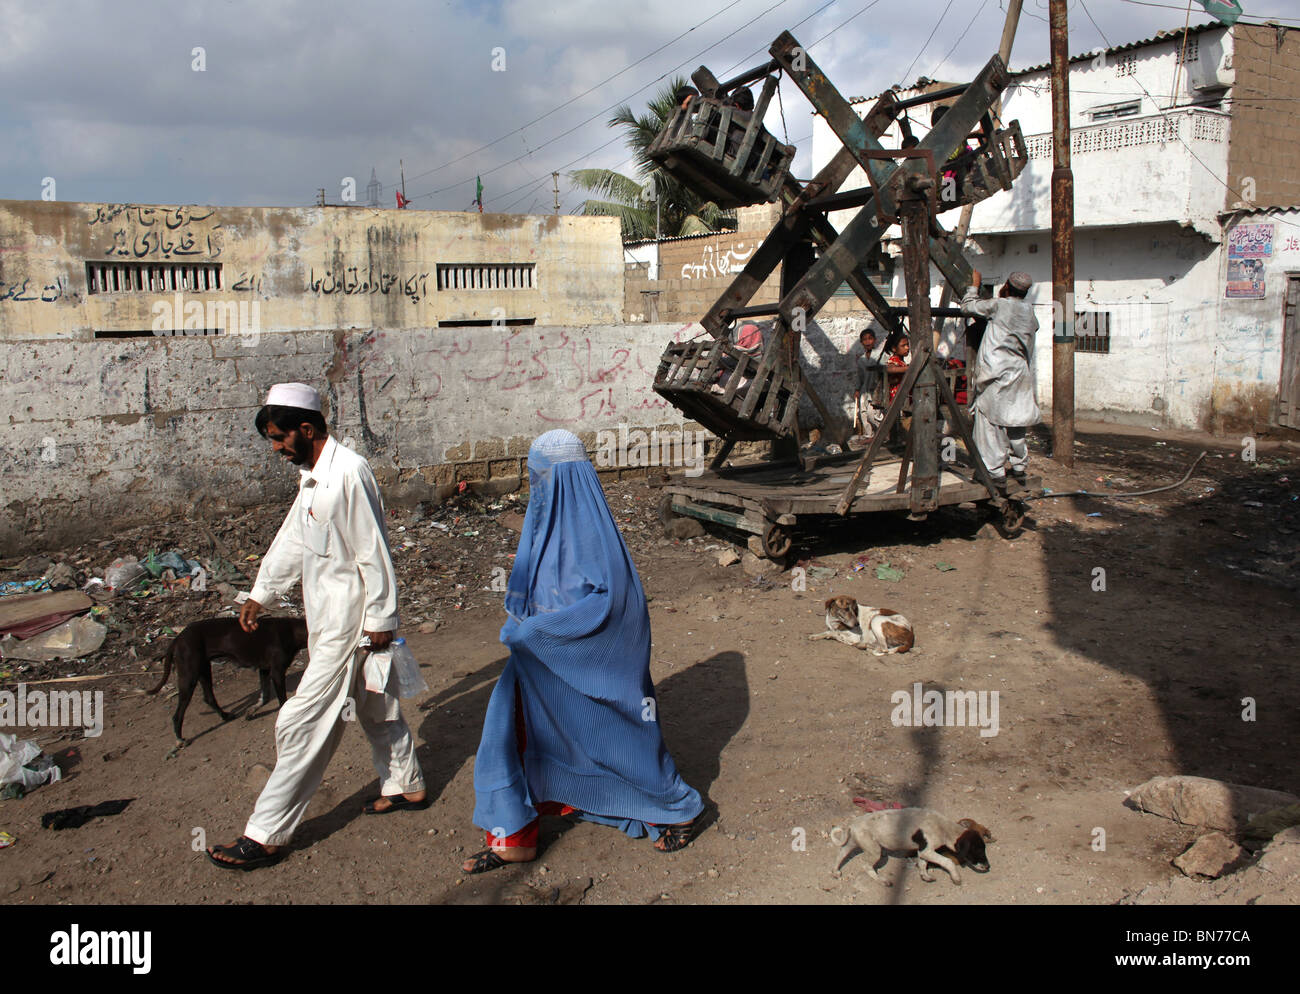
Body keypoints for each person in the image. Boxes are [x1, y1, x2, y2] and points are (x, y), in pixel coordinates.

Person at [462, 430, 704, 874]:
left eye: (542, 477)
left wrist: (539, 631)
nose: (537, 487)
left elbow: (614, 605)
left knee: (619, 739)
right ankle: (512, 836)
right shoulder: (543, 526)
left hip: (584, 660)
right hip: (537, 661)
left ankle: (677, 806)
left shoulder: (591, 532)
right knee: (508, 735)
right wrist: (527, 630)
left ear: (564, 478)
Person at [207, 382, 426, 870]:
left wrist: (382, 620)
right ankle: (406, 783)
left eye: (280, 438)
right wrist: (262, 592)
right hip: (328, 619)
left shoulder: (349, 473)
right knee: (374, 704)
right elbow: (293, 538)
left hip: (353, 624)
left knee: (301, 722)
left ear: (306, 428)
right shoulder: (312, 477)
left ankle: (267, 833)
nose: (276, 448)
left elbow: (374, 551)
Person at [960, 270, 1040, 492]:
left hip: (997, 373)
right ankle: (1019, 467)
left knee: (989, 424)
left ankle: (994, 473)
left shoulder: (999, 305)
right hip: (1019, 372)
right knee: (1016, 421)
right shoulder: (1029, 312)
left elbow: (967, 307)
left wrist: (973, 287)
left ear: (1007, 286)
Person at [852, 328, 884, 435]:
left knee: (873, 415)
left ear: (874, 340)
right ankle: (869, 435)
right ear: (861, 342)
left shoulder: (880, 355)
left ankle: (881, 434)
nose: (867, 342)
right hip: (864, 390)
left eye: (870, 339)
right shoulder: (861, 359)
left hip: (877, 391)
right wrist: (857, 389)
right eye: (864, 340)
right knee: (863, 414)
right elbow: (860, 376)